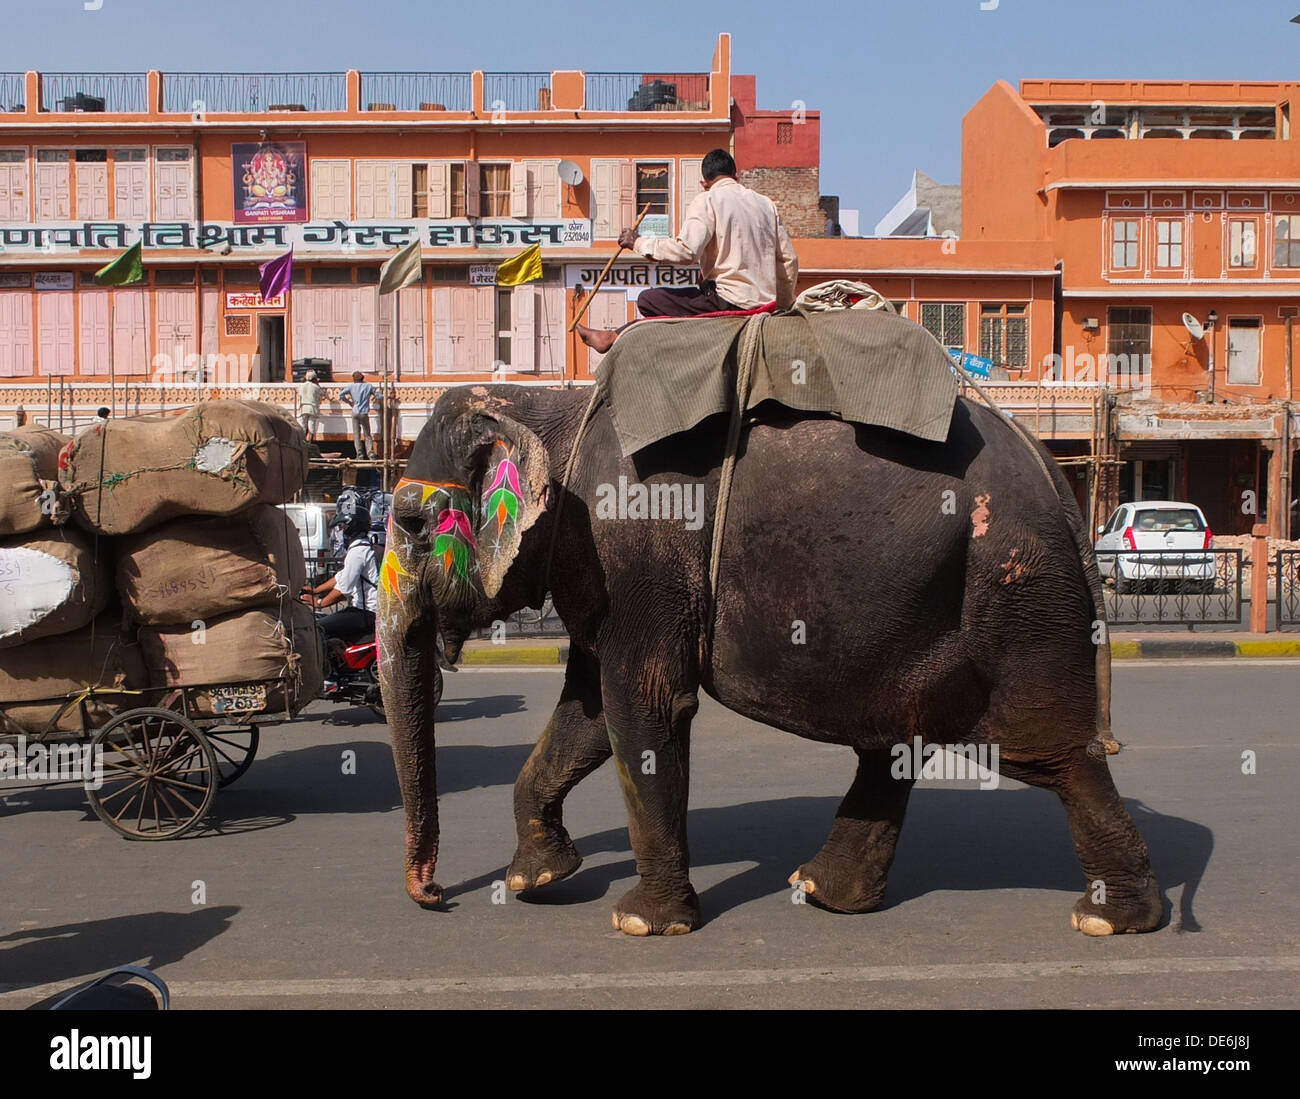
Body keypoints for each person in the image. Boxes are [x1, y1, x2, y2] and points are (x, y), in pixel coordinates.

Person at [575, 148, 799, 354]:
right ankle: (612, 336)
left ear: (704, 183)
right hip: (764, 305)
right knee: (690, 294)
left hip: (730, 303)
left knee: (647, 300)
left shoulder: (707, 200)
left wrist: (639, 243)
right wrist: (783, 308)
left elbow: (686, 251)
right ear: (736, 176)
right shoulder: (766, 204)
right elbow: (788, 260)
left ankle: (613, 337)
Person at [300, 510, 378, 646]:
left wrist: (319, 603)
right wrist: (316, 590)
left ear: (351, 528)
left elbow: (344, 588)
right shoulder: (364, 547)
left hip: (366, 612)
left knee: (316, 628)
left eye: (342, 527)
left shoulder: (358, 552)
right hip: (364, 610)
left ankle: (325, 665)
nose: (339, 532)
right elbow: (341, 576)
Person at [339, 371, 376, 459]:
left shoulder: (351, 386)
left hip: (355, 412)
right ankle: (370, 454)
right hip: (364, 413)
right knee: (367, 435)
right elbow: (378, 395)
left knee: (357, 435)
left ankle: (359, 455)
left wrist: (350, 403)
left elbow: (341, 395)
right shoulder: (368, 386)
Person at [298, 371, 322, 441]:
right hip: (312, 409)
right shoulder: (316, 387)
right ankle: (309, 445)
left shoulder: (301, 386)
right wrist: (318, 384)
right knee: (311, 429)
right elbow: (322, 394)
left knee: (303, 428)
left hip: (303, 408)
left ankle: (302, 443)